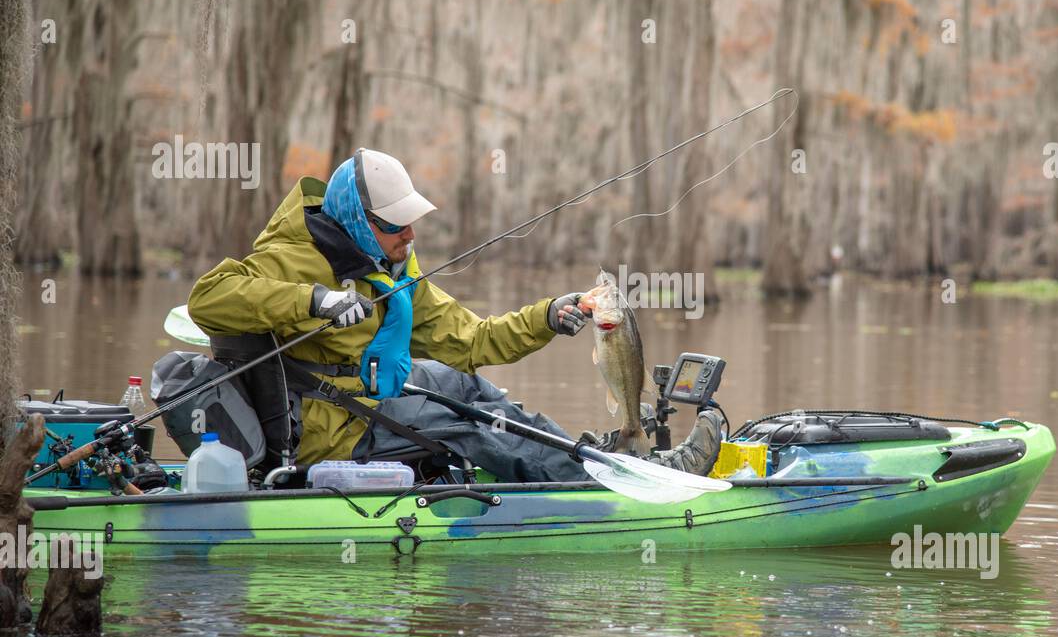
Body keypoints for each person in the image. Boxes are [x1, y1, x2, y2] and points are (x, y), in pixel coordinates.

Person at [187, 148, 722, 482]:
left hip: (379, 395)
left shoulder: (391, 267)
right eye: (396, 226)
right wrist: (313, 300)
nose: (410, 235)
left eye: (411, 223)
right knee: (469, 428)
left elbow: (473, 339)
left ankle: (595, 461)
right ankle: (609, 482)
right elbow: (208, 298)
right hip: (331, 428)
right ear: (357, 218)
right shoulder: (292, 257)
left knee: (466, 385)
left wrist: (546, 317)